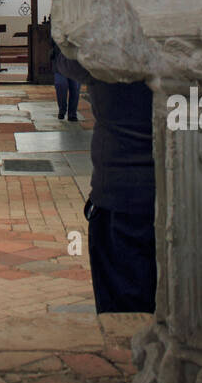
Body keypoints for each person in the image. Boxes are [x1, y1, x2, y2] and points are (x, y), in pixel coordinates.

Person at [63, 55, 156, 314]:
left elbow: (65, 59)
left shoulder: (109, 47)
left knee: (122, 313)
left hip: (120, 190)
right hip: (185, 190)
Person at [50, 38, 80, 121]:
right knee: (60, 85)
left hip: (75, 61)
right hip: (60, 59)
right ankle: (62, 109)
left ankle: (72, 114)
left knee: (75, 88)